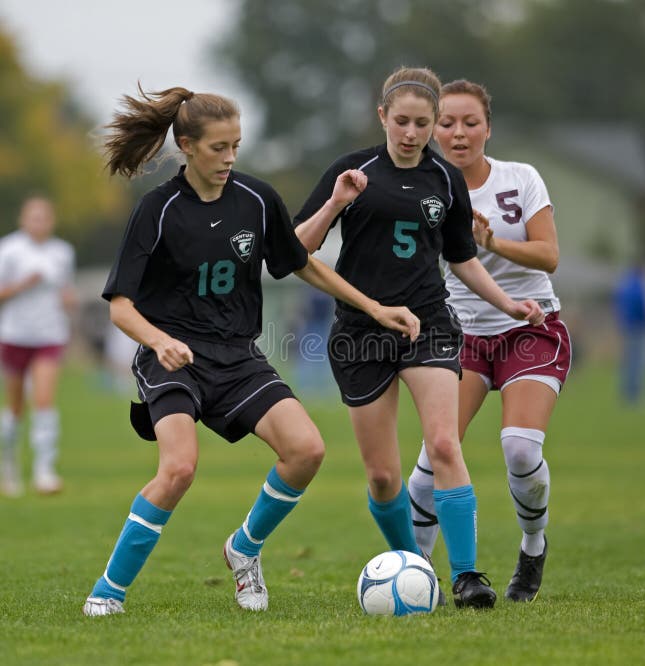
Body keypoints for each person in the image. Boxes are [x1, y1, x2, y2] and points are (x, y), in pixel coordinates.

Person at [82, 85, 420, 617]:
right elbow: (120, 307)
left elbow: (302, 262)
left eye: (236, 145)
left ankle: (243, 549)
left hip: (238, 357)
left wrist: (375, 308)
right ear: (187, 146)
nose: (230, 157)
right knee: (179, 469)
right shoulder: (158, 209)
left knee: (307, 450)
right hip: (173, 359)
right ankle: (108, 591)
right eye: (219, 148)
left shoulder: (257, 199)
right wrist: (160, 340)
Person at [293, 67, 545, 609]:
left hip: (427, 322)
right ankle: (414, 567)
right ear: (382, 117)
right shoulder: (351, 170)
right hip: (361, 332)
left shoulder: (444, 178)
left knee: (444, 443)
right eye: (401, 121)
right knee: (384, 476)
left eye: (422, 124)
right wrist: (336, 202)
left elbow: (461, 258)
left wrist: (509, 305)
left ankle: (467, 576)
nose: (411, 133)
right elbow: (297, 250)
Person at [404, 79, 570, 603]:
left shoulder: (521, 178)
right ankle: (416, 570)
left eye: (469, 122)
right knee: (436, 452)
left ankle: (533, 545)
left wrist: (493, 242)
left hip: (529, 328)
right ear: (432, 129)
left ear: (487, 128)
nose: (457, 133)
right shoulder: (425, 187)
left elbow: (548, 256)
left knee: (520, 450)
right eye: (446, 123)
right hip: (462, 335)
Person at [0, 196, 77, 497]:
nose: (39, 223)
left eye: (44, 217)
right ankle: (9, 466)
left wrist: (67, 300)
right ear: (23, 220)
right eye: (34, 217)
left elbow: (65, 289)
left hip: (49, 335)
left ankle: (45, 471)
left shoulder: (62, 252)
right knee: (16, 407)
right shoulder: (9, 249)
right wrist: (24, 285)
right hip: (15, 334)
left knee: (44, 401)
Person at [613, 263, 645, 404]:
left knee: (627, 362)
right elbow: (643, 307)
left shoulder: (624, 285)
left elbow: (617, 305)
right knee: (637, 363)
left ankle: (625, 394)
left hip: (625, 327)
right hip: (638, 327)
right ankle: (635, 396)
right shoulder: (639, 286)